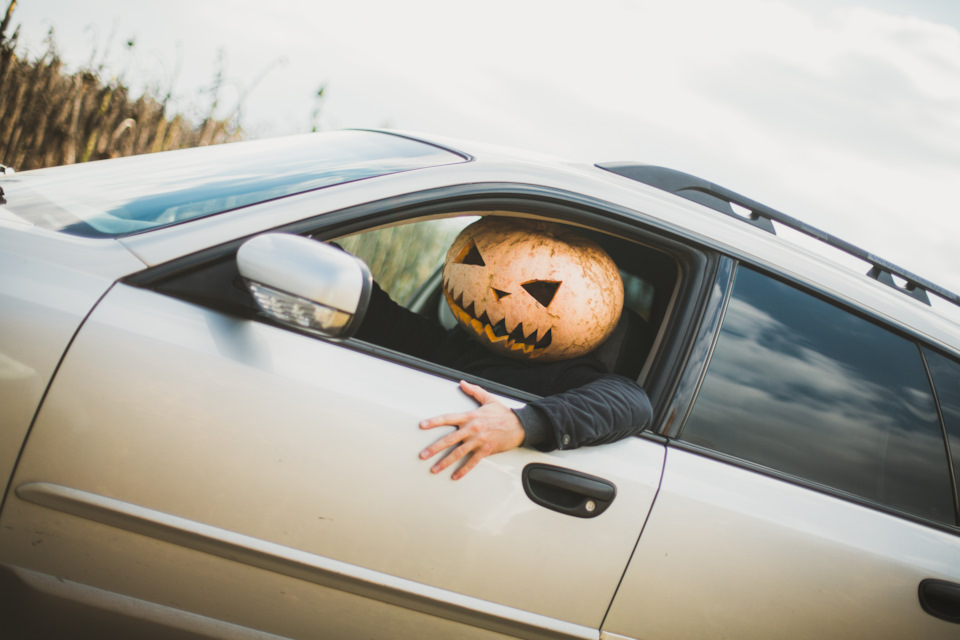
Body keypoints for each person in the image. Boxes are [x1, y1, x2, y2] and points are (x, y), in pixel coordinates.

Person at [353, 216, 653, 479]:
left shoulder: (563, 376)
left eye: (541, 291)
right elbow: (389, 323)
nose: (499, 290)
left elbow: (632, 402)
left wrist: (524, 423)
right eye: (477, 261)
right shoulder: (457, 344)